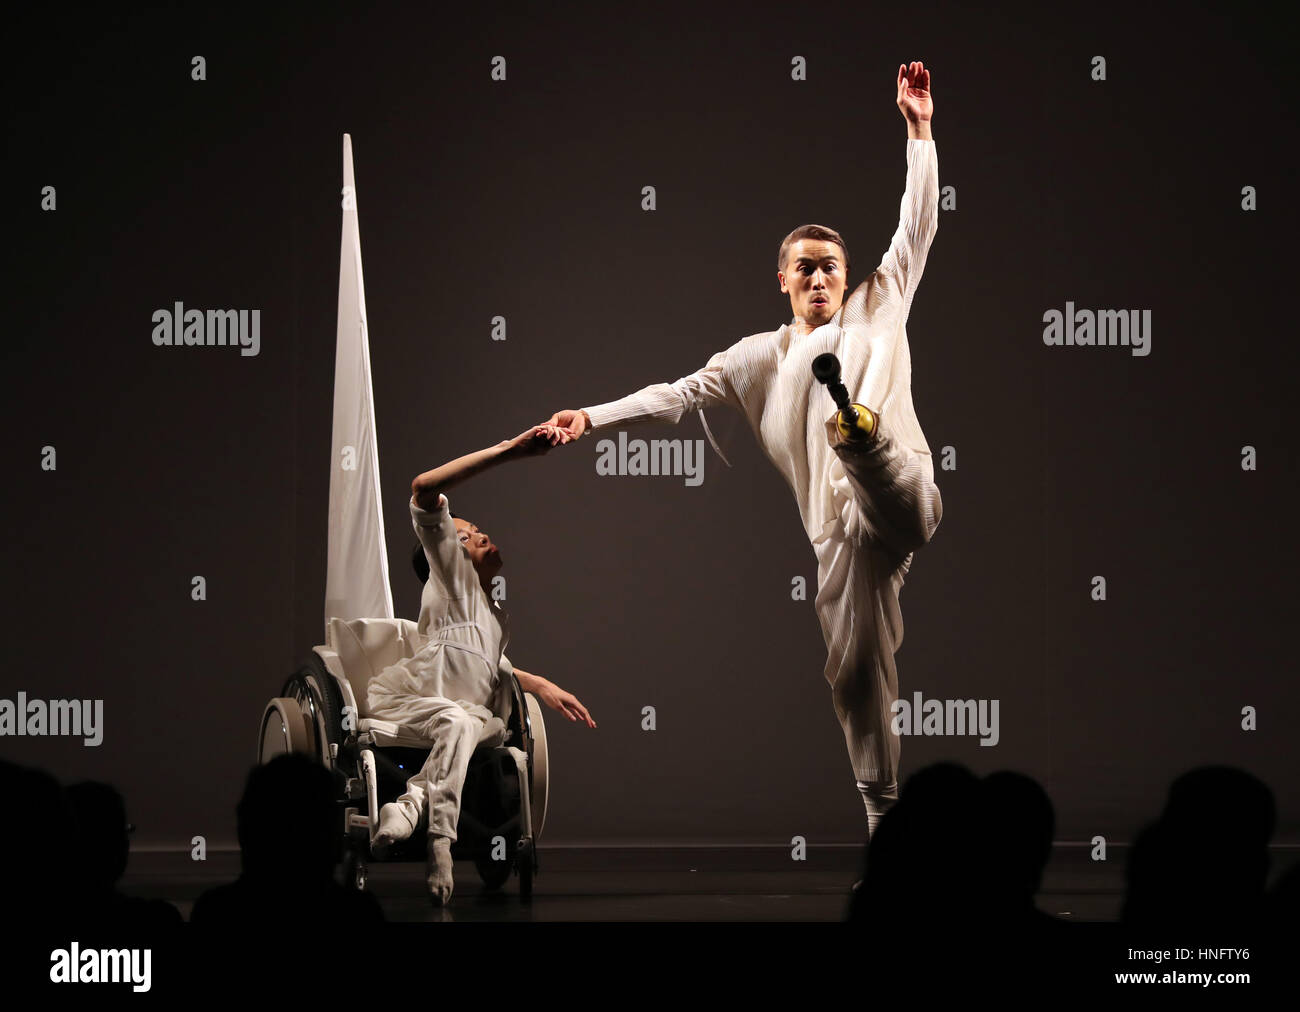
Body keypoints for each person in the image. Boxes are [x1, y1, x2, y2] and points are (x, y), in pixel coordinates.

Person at [540, 63, 941, 840]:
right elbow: (676, 393)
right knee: (857, 678)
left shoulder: (881, 300)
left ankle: (859, 431)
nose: (820, 275)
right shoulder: (756, 357)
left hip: (901, 493)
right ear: (784, 280)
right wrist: (590, 417)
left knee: (888, 473)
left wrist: (918, 129)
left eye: (830, 265)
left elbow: (917, 221)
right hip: (841, 540)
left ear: (846, 275)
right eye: (805, 266)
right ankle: (883, 819)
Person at [369, 423, 596, 905]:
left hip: (466, 718)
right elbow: (423, 489)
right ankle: (440, 844)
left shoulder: (492, 618)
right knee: (458, 719)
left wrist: (541, 686)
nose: (481, 535)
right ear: (448, 556)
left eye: (475, 532)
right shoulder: (452, 583)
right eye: (466, 536)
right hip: (410, 702)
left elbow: (493, 667)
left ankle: (410, 806)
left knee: (471, 722)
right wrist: (510, 450)